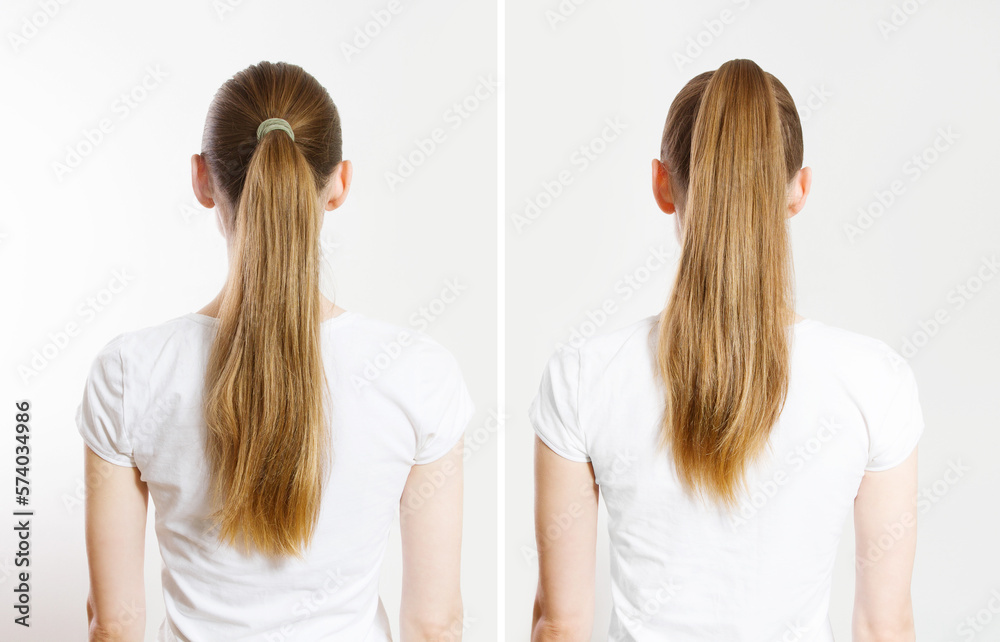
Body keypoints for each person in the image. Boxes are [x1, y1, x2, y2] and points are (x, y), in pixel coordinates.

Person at [76, 61, 474, 642]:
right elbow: (435, 625)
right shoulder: (417, 373)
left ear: (202, 179)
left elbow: (112, 625)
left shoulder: (129, 373)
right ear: (339, 183)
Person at [529, 59, 922, 642]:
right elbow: (884, 628)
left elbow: (560, 625)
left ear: (662, 184)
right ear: (799, 190)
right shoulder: (874, 382)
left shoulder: (582, 379)